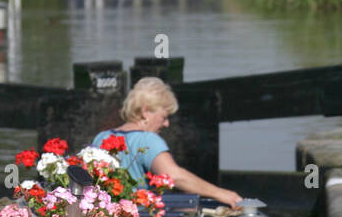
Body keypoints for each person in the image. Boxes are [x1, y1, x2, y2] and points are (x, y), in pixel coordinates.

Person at [93, 76, 242, 207]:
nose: (166, 124)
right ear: (145, 112)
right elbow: (174, 176)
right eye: (164, 117)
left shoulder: (101, 137)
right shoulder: (147, 140)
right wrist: (221, 194)